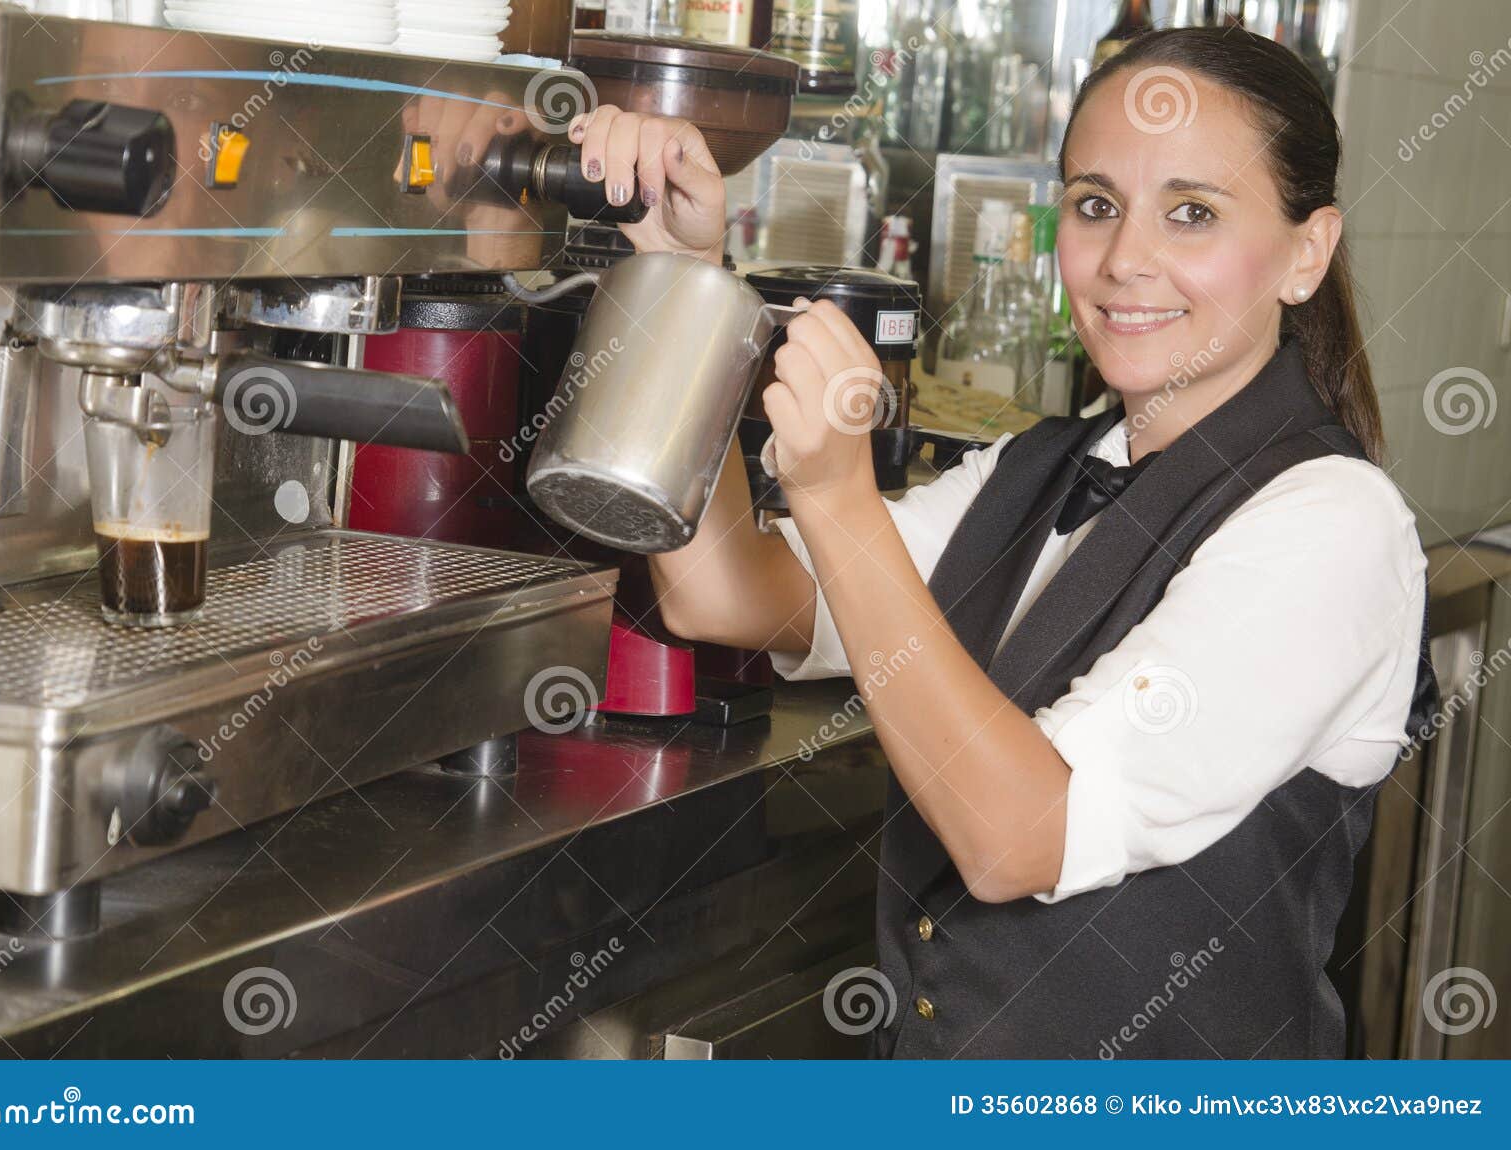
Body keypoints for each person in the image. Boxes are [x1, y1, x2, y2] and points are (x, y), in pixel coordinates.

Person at [569, 26, 1436, 1058]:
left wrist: (840, 495)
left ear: (1307, 251)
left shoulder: (1334, 525)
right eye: (1095, 204)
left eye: (1192, 213)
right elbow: (725, 593)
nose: (1124, 261)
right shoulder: (1032, 472)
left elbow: (1019, 837)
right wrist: (684, 286)